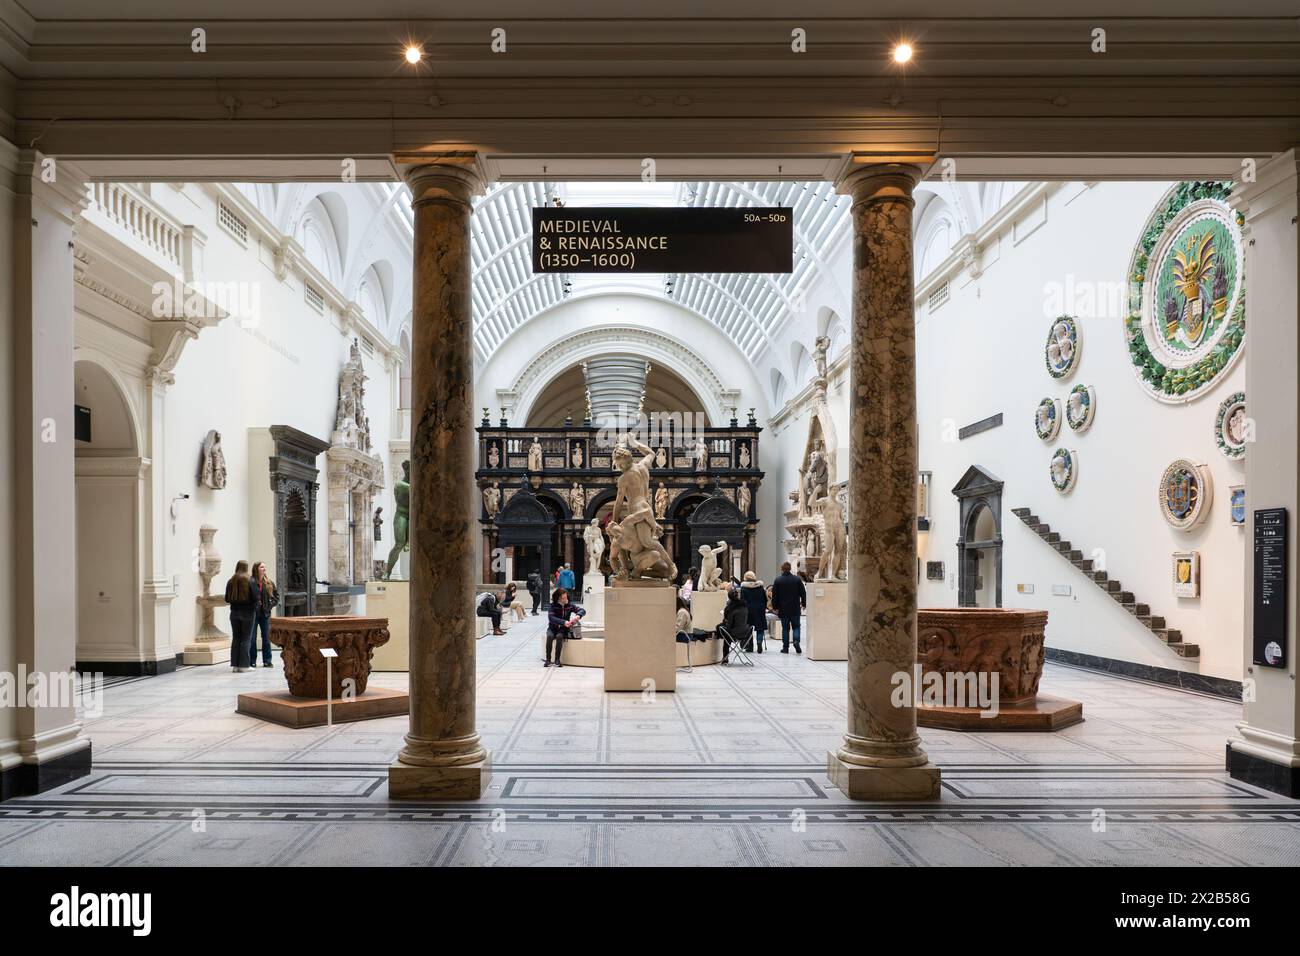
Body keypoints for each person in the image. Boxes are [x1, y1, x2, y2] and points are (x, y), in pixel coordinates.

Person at [224, 560, 259, 672]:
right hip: (248, 613)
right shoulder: (250, 580)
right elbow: (256, 597)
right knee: (246, 639)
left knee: (236, 638)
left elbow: (227, 599)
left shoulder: (231, 581)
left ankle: (235, 665)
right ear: (246, 568)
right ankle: (244, 665)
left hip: (234, 613)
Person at [770, 561, 807, 653]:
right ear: (790, 568)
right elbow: (803, 593)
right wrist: (804, 604)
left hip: (783, 609)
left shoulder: (778, 580)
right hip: (795, 608)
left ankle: (785, 648)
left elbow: (775, 596)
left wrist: (775, 607)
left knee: (785, 628)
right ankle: (796, 641)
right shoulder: (797, 580)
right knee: (796, 626)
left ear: (781, 569)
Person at [545, 588, 585, 667]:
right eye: (563, 598)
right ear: (558, 598)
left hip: (563, 629)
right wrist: (564, 622)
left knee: (559, 637)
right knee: (549, 636)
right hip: (552, 627)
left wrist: (578, 615)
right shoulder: (552, 606)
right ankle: (548, 660)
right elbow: (551, 618)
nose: (565, 599)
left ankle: (557, 660)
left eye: (566, 597)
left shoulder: (569, 605)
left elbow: (582, 610)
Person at [251, 560, 279, 668]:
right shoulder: (251, 582)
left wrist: (270, 605)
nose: (264, 569)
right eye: (262, 567)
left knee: (266, 638)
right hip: (253, 614)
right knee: (252, 639)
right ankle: (252, 661)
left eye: (264, 567)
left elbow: (276, 597)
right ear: (256, 568)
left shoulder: (269, 582)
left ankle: (267, 661)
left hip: (265, 614)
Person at [720, 584, 752, 664]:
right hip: (746, 632)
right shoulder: (744, 606)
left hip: (735, 633)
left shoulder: (730, 608)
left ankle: (725, 658)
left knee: (723, 632)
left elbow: (729, 624)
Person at [739, 570, 767, 654]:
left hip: (748, 610)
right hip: (759, 609)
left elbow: (742, 601)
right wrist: (763, 607)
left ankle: (750, 647)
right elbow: (765, 599)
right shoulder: (760, 587)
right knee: (760, 628)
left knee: (748, 628)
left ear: (745, 578)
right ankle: (759, 642)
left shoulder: (743, 588)